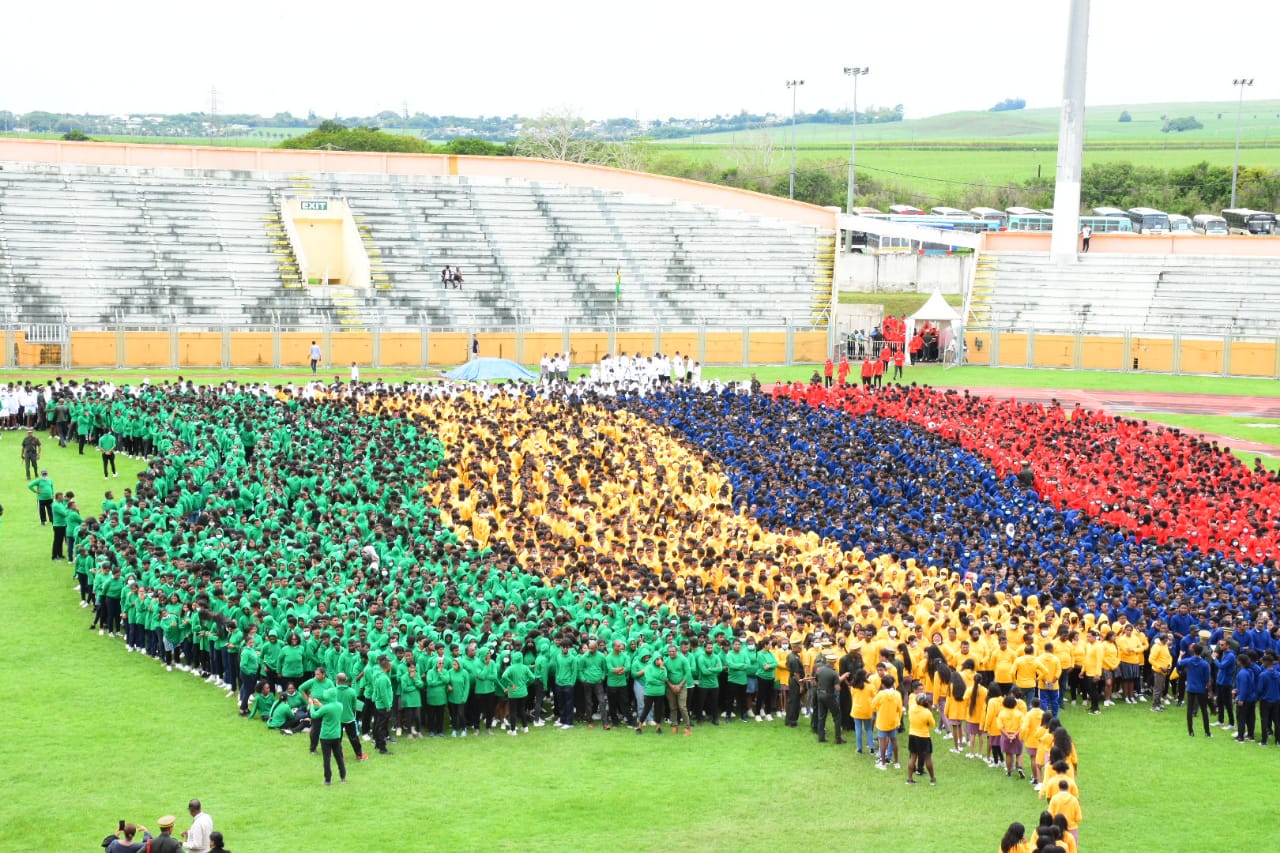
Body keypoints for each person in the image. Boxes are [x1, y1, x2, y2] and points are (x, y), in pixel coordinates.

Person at [309, 690, 347, 785]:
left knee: (327, 758)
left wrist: (311, 705)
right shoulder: (340, 706)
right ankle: (343, 777)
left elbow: (314, 715)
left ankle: (328, 780)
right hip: (336, 735)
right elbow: (329, 711)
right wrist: (320, 704)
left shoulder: (326, 708)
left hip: (325, 736)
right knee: (339, 757)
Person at [1178, 643, 1212, 737]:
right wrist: (1209, 691)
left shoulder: (1188, 661)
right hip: (1201, 689)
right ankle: (1207, 732)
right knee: (1204, 710)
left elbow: (1179, 664)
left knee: (1189, 710)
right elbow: (1207, 680)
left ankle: (1191, 732)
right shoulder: (1205, 664)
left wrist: (1180, 655)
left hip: (1190, 688)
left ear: (1193, 651)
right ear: (1201, 652)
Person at [905, 689, 937, 785]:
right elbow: (932, 724)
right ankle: (932, 778)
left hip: (912, 735)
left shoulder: (912, 708)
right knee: (928, 758)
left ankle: (909, 778)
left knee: (913, 757)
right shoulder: (927, 712)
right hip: (923, 736)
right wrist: (929, 708)